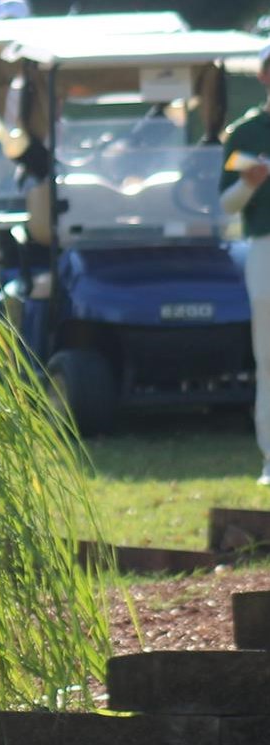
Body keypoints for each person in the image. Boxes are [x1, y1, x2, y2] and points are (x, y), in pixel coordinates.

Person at [220, 43, 270, 485]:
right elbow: (226, 203)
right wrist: (248, 186)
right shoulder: (247, 133)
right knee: (268, 356)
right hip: (265, 247)